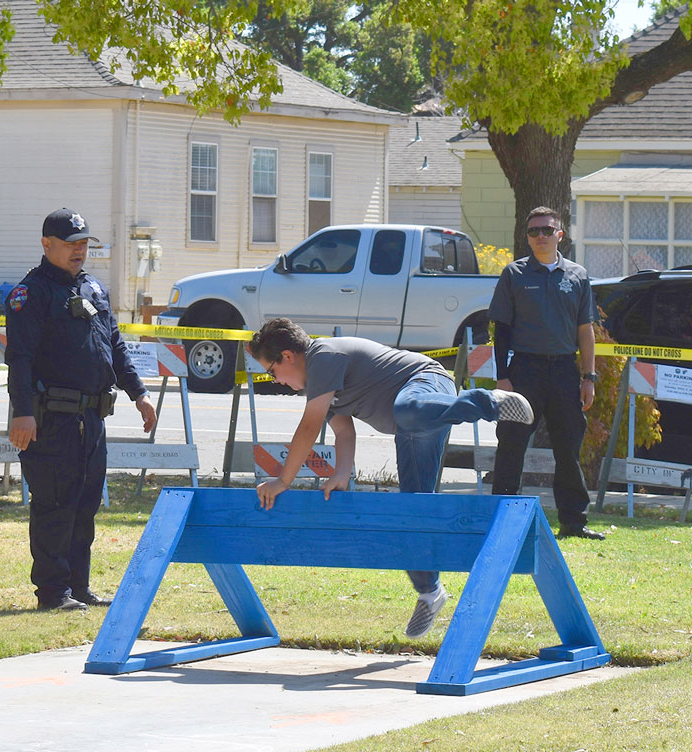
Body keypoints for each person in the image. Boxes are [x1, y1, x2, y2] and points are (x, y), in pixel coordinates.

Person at [249, 318, 534, 639]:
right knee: (411, 510)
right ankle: (429, 591)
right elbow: (342, 429)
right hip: (414, 423)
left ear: (288, 356)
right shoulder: (320, 385)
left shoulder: (323, 356)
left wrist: (282, 481)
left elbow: (308, 427)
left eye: (272, 372)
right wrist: (342, 472)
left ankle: (487, 401)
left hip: (427, 385)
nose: (276, 381)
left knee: (406, 409)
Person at [5, 208, 157, 611]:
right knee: (56, 504)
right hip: (51, 418)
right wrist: (22, 412)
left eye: (84, 244)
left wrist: (138, 392)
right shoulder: (31, 293)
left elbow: (115, 346)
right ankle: (53, 593)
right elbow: (19, 358)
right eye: (71, 244)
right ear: (46, 244)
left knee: (86, 504)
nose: (79, 251)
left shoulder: (94, 289)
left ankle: (78, 585)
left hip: (92, 416)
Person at [489, 206, 603, 540]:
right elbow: (502, 328)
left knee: (568, 448)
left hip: (565, 371)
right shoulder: (514, 274)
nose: (540, 237)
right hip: (524, 371)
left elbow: (586, 331)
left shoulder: (578, 276)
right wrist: (503, 376)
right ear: (527, 237)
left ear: (560, 235)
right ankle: (501, 520)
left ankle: (574, 522)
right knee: (511, 444)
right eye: (533, 231)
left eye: (546, 230)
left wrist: (589, 377)